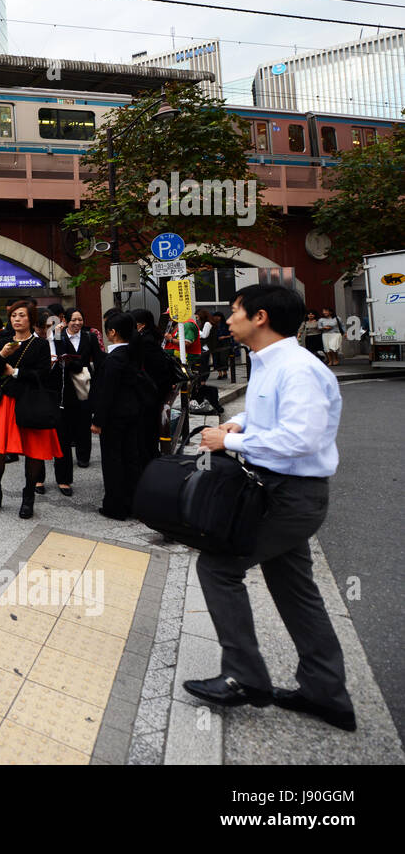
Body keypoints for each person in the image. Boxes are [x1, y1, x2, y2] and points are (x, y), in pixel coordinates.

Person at [188, 284, 355, 732]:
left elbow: (302, 439)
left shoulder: (298, 368)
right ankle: (326, 692)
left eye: (235, 310)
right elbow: (273, 419)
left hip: (291, 495)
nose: (227, 318)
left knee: (219, 566)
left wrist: (231, 440)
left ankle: (244, 677)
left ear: (260, 317)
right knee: (296, 590)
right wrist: (239, 422)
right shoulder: (269, 361)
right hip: (275, 490)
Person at [0, 301, 62, 518]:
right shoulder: (2, 340)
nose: (16, 319)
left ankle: (28, 498)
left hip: (31, 401)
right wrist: (2, 356)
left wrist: (15, 372)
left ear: (31, 319)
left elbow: (43, 376)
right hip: (6, 401)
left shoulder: (40, 345)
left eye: (22, 315)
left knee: (34, 452)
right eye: (14, 315)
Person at [88, 313, 154, 520]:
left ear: (113, 332)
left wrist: (97, 421)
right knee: (131, 458)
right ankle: (133, 503)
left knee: (113, 461)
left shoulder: (114, 358)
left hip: (114, 418)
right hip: (133, 413)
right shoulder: (132, 353)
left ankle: (115, 506)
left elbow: (107, 393)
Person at [50, 308, 100, 496]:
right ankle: (65, 466)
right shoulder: (58, 336)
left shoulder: (89, 337)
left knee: (84, 418)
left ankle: (83, 455)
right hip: (64, 383)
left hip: (84, 380)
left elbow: (98, 359)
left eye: (80, 319)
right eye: (74, 320)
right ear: (66, 321)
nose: (77, 323)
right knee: (66, 423)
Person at [132, 308, 179, 463]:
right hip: (154, 390)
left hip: (152, 392)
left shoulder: (146, 341)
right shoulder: (149, 337)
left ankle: (151, 460)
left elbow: (155, 368)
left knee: (149, 428)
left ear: (142, 324)